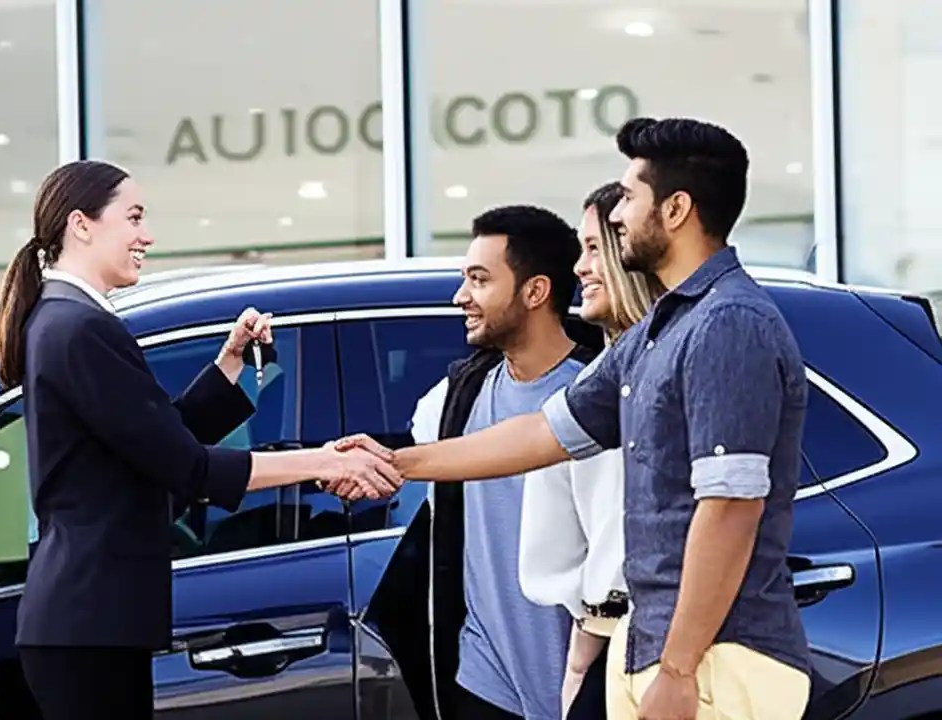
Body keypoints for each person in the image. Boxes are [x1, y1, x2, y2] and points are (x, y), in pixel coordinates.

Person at [333, 117, 813, 720]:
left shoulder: (728, 324)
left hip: (718, 659)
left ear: (677, 209)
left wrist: (678, 667)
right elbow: (543, 432)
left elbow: (731, 509)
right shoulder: (659, 334)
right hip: (657, 650)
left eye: (631, 196)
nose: (616, 217)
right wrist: (393, 463)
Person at [0, 159, 400, 719]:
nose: (147, 235)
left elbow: (156, 444)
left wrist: (228, 364)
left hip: (87, 622)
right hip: (91, 625)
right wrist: (324, 460)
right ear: (81, 225)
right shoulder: (79, 326)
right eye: (133, 217)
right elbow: (189, 469)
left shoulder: (67, 320)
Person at [401, 205, 593, 720]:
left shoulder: (595, 399)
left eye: (479, 280)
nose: (461, 297)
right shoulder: (458, 397)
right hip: (484, 683)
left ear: (535, 292)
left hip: (583, 684)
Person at [517, 181, 664, 720]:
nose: (579, 267)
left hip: (630, 651)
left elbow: (614, 549)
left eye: (596, 247)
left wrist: (582, 661)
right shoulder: (607, 382)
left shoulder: (638, 381)